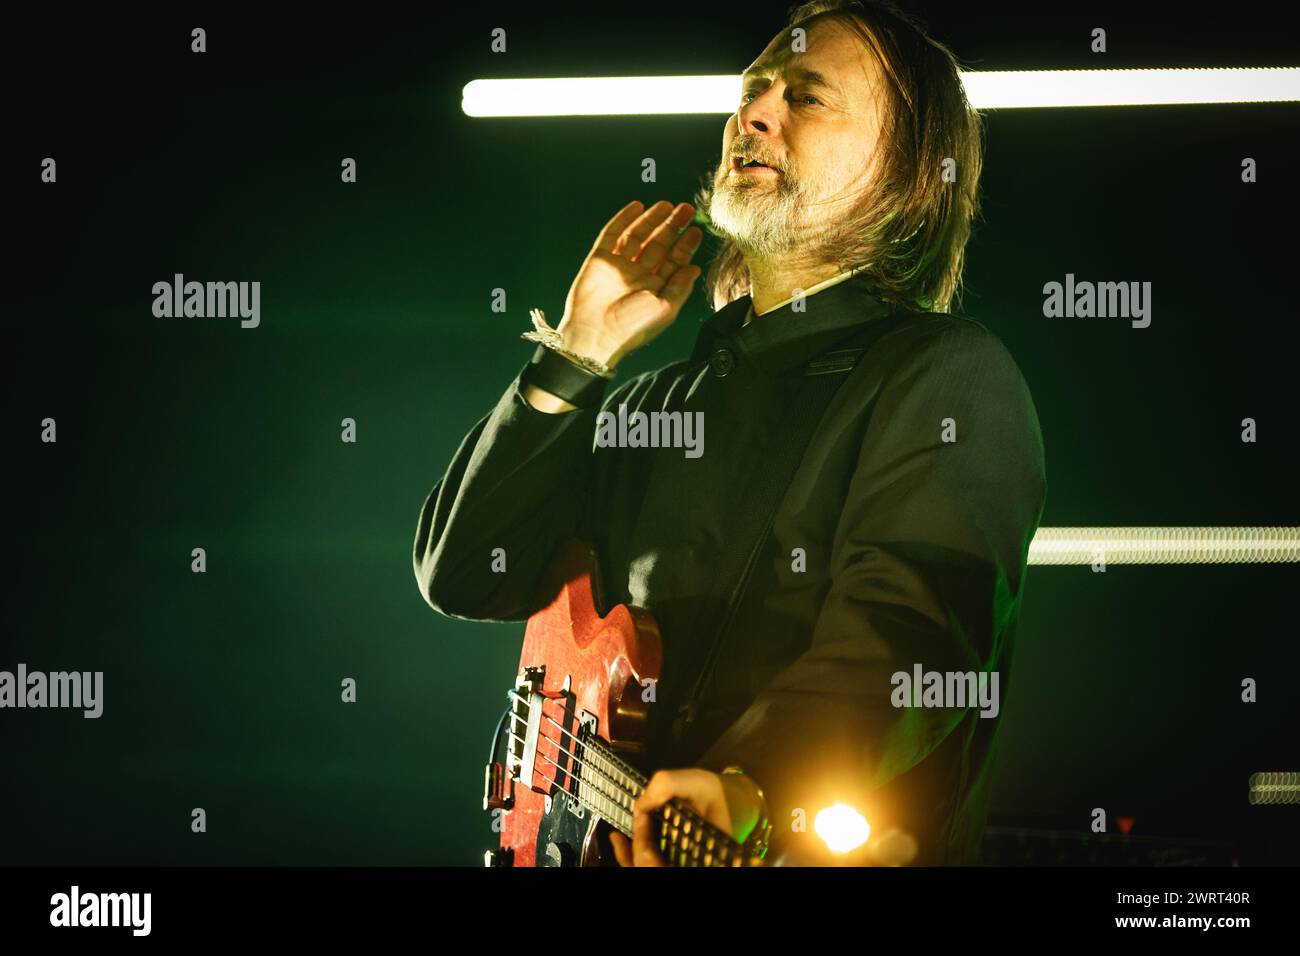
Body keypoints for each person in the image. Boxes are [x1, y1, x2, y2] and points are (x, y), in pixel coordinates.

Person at [414, 0, 1047, 866]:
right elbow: (461, 572)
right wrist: (576, 354)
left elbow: (915, 636)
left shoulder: (945, 375)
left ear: (906, 172)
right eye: (754, 90)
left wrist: (759, 781)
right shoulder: (645, 405)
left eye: (807, 98)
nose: (752, 113)